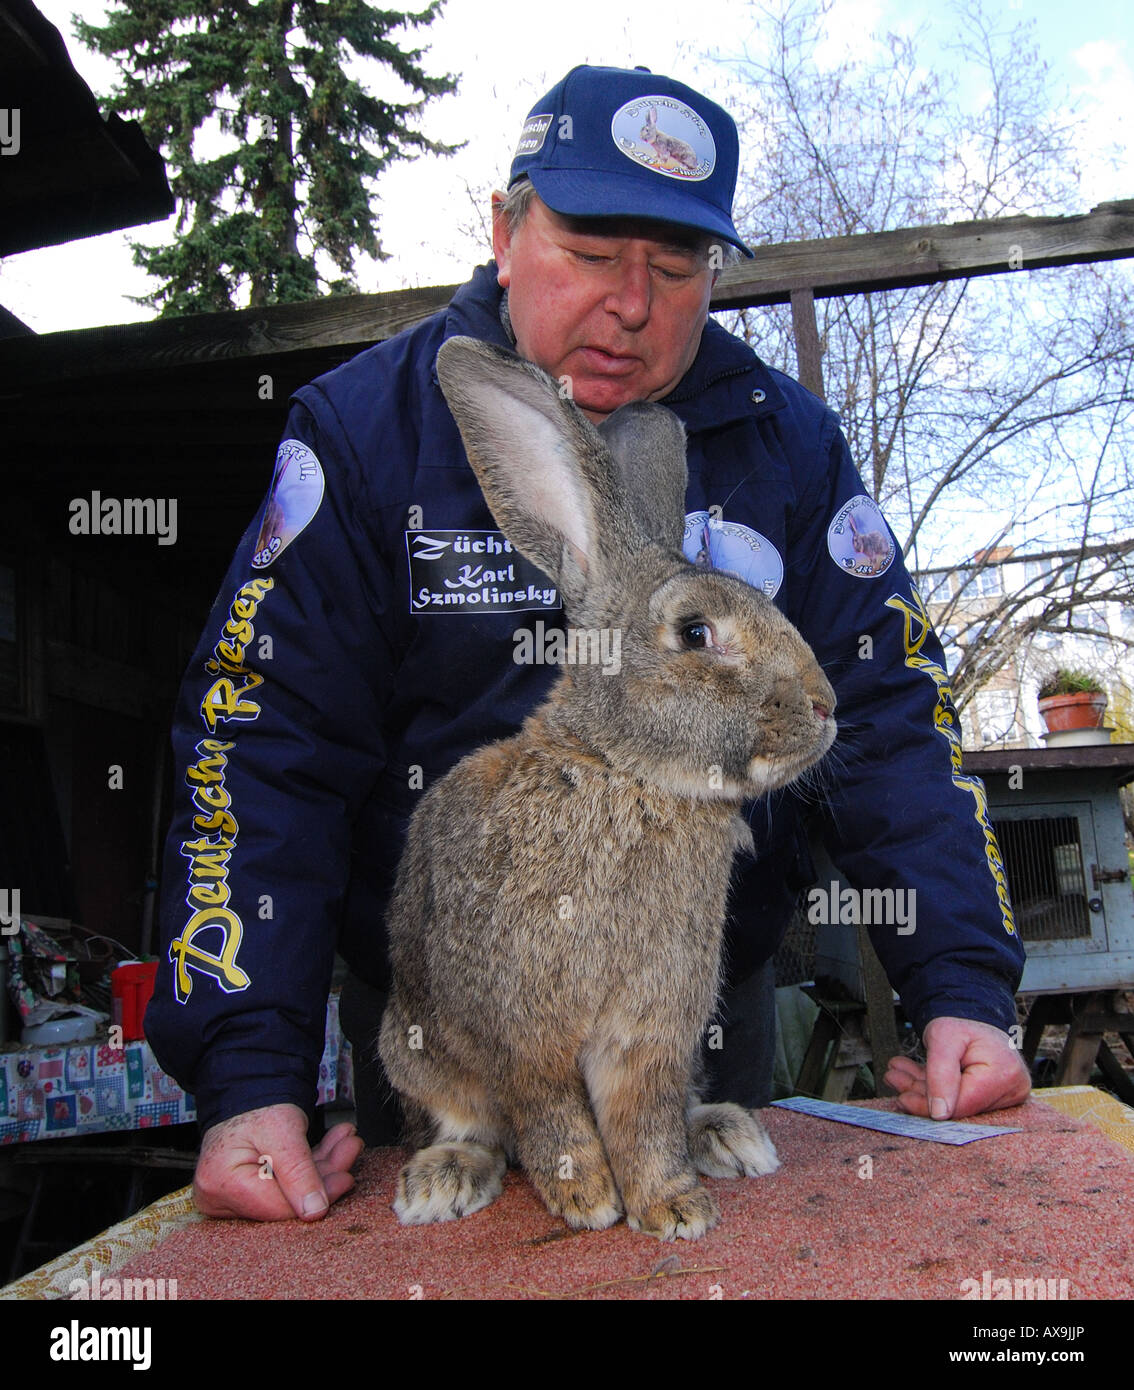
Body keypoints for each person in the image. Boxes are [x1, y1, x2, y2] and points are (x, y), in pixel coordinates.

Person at [146, 64, 1030, 1223]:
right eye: (591, 253)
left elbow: (889, 712)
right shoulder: (366, 436)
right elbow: (262, 746)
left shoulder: (786, 447)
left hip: (693, 998)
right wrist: (248, 1071)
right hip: (444, 1008)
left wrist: (961, 984)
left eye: (677, 270)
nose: (633, 305)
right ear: (505, 231)